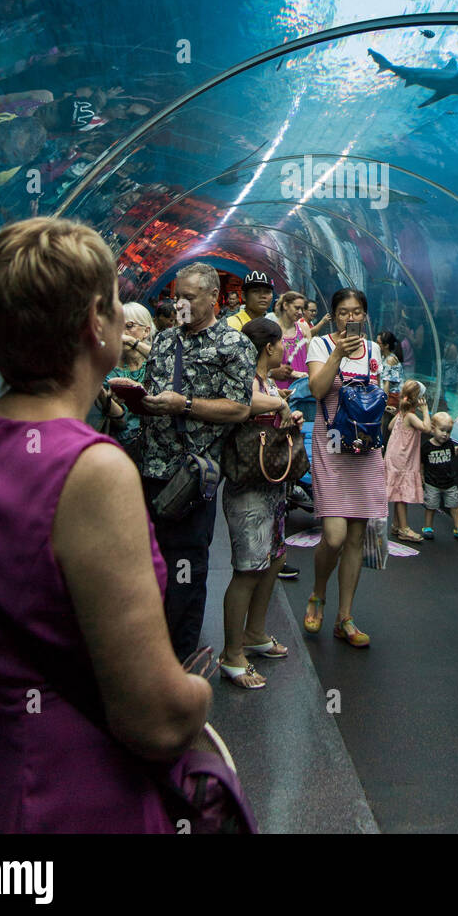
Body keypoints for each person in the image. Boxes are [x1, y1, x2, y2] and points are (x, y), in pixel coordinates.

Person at [0, 217, 213, 832]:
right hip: (70, 797)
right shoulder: (93, 470)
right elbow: (154, 721)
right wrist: (200, 693)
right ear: (94, 325)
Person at [138, 264, 256, 662]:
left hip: (191, 476)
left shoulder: (232, 345)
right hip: (150, 469)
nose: (181, 303)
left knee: (186, 566)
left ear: (213, 299)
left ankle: (180, 659)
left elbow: (239, 408)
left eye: (189, 297)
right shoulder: (164, 340)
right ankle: (149, 648)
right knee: (149, 563)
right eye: (177, 296)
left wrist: (185, 405)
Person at [219, 318, 305, 689]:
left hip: (270, 486)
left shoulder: (268, 381)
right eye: (282, 343)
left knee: (274, 559)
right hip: (248, 487)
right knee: (247, 569)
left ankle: (254, 632)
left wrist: (286, 413)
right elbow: (241, 404)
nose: (285, 348)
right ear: (268, 347)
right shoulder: (246, 380)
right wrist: (278, 406)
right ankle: (231, 654)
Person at [303, 289, 387, 647]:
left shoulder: (375, 351)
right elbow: (318, 389)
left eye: (355, 312)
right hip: (332, 447)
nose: (349, 318)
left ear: (365, 316)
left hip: (365, 450)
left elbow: (377, 397)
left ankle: (345, 617)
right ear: (333, 315)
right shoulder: (320, 346)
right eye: (342, 312)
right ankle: (318, 593)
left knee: (355, 538)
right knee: (334, 536)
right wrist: (338, 352)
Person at [98, 303, 156, 462]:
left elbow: (164, 359)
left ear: (146, 331)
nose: (123, 333)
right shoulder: (108, 366)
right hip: (119, 449)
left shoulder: (155, 364)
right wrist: (104, 396)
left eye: (129, 326)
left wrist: (133, 343)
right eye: (118, 327)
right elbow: (121, 422)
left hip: (156, 447)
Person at [386, 380, 431, 542]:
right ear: (418, 399)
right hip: (402, 459)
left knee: (399, 490)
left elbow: (390, 427)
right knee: (401, 494)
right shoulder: (411, 416)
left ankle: (397, 525)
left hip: (394, 456)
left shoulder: (401, 414)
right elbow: (426, 428)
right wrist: (425, 411)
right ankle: (404, 529)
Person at [420, 412, 458, 540]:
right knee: (431, 506)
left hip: (449, 482)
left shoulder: (449, 444)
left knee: (455, 505)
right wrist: (420, 477)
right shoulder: (426, 446)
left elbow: (452, 452)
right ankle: (427, 527)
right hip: (432, 482)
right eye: (442, 430)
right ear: (433, 428)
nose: (445, 434)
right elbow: (421, 462)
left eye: (448, 431)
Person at [267, 290, 311, 382]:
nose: (300, 312)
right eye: (297, 308)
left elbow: (310, 356)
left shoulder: (303, 327)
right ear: (285, 305)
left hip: (303, 382)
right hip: (281, 382)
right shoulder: (272, 329)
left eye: (302, 309)